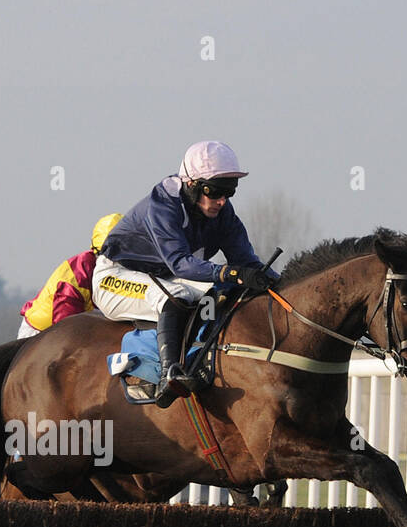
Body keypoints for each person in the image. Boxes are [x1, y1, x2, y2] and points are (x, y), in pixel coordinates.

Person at [92, 141, 277, 407]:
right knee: (175, 296)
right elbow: (181, 263)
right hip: (116, 277)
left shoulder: (222, 212)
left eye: (229, 192)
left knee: (219, 293)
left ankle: (201, 356)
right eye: (214, 192)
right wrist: (230, 272)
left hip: (163, 276)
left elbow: (246, 260)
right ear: (192, 184)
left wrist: (278, 281)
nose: (222, 201)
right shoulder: (163, 205)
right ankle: (171, 373)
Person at [17, 213, 123, 339]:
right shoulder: (75, 277)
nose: (113, 262)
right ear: (95, 250)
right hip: (40, 333)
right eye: (107, 254)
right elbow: (67, 328)